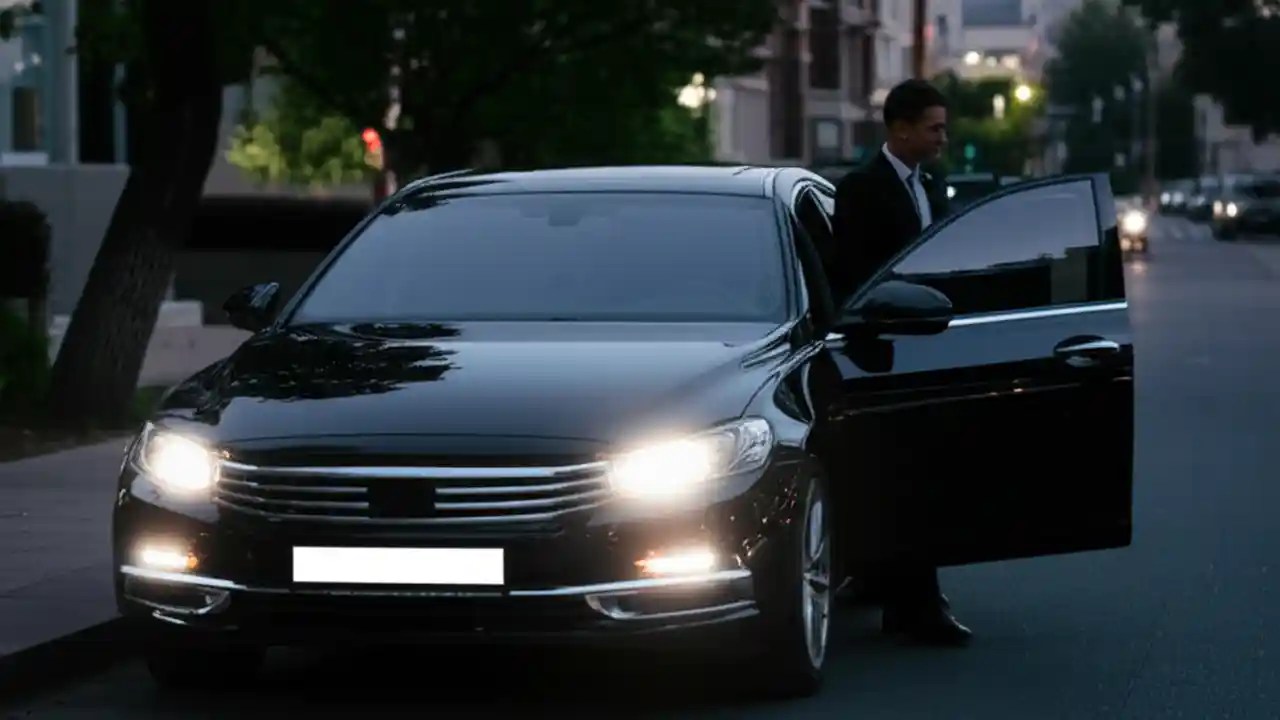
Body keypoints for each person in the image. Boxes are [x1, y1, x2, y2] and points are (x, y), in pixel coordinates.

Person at [831, 78, 972, 646]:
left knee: (918, 475)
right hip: (884, 356)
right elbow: (854, 278)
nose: (944, 137)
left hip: (924, 350)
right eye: (935, 127)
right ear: (900, 129)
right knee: (910, 478)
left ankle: (885, 585)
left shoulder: (930, 186)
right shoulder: (861, 189)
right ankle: (916, 606)